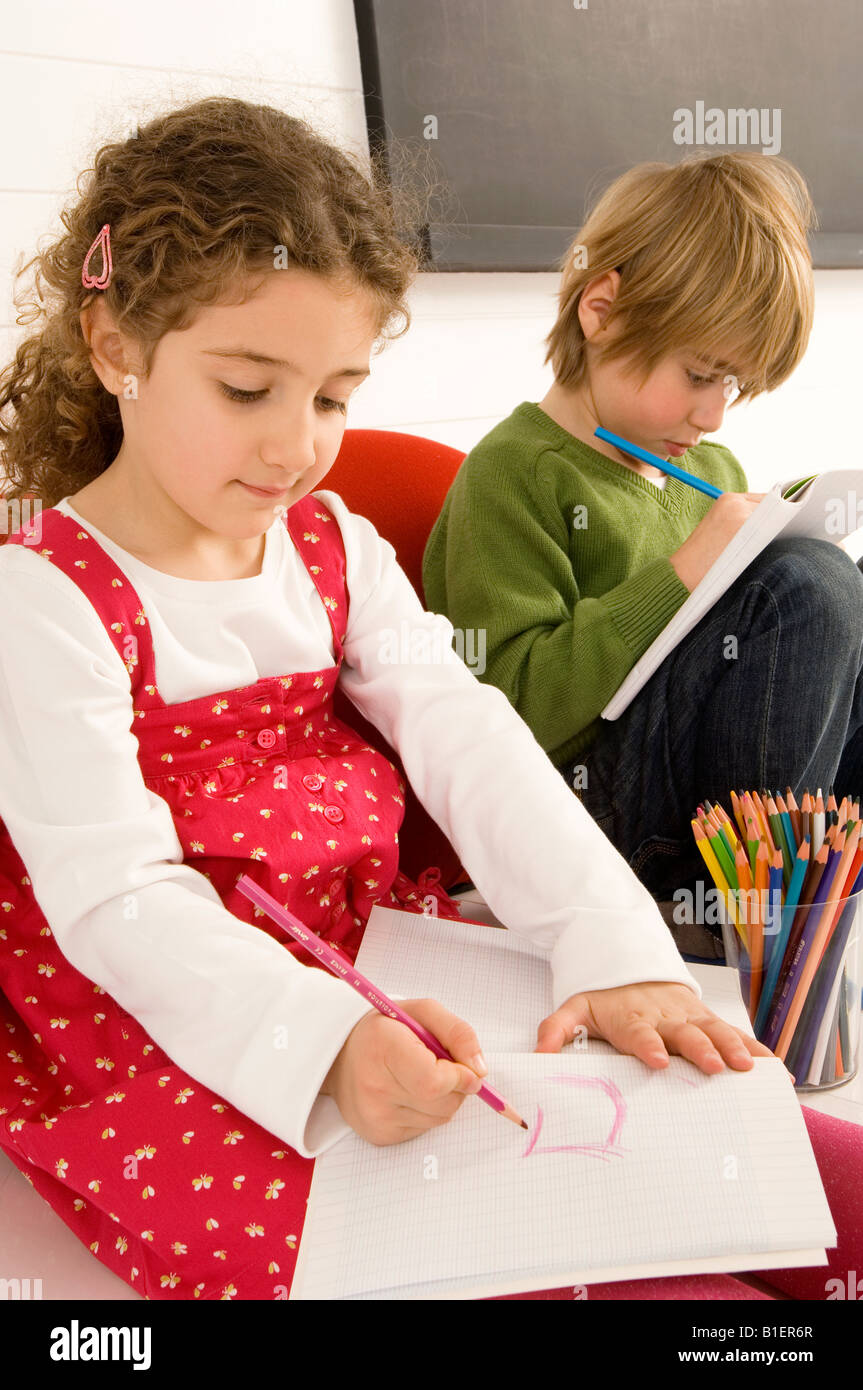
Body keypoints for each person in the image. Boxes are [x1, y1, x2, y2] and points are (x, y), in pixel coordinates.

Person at [0, 104, 850, 1303]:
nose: (297, 446)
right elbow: (118, 902)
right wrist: (326, 1045)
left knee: (782, 1175)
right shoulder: (39, 597)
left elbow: (469, 737)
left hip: (388, 968)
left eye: (334, 396)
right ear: (112, 347)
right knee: (591, 1261)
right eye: (247, 388)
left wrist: (607, 944)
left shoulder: (331, 545)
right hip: (195, 1034)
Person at [423, 151, 863, 920]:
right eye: (699, 376)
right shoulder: (517, 473)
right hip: (579, 821)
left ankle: (821, 887)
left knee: (830, 587)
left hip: (698, 805)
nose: (713, 415)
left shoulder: (712, 465)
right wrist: (685, 571)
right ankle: (765, 917)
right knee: (806, 589)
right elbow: (507, 710)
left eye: (732, 386)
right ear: (601, 311)